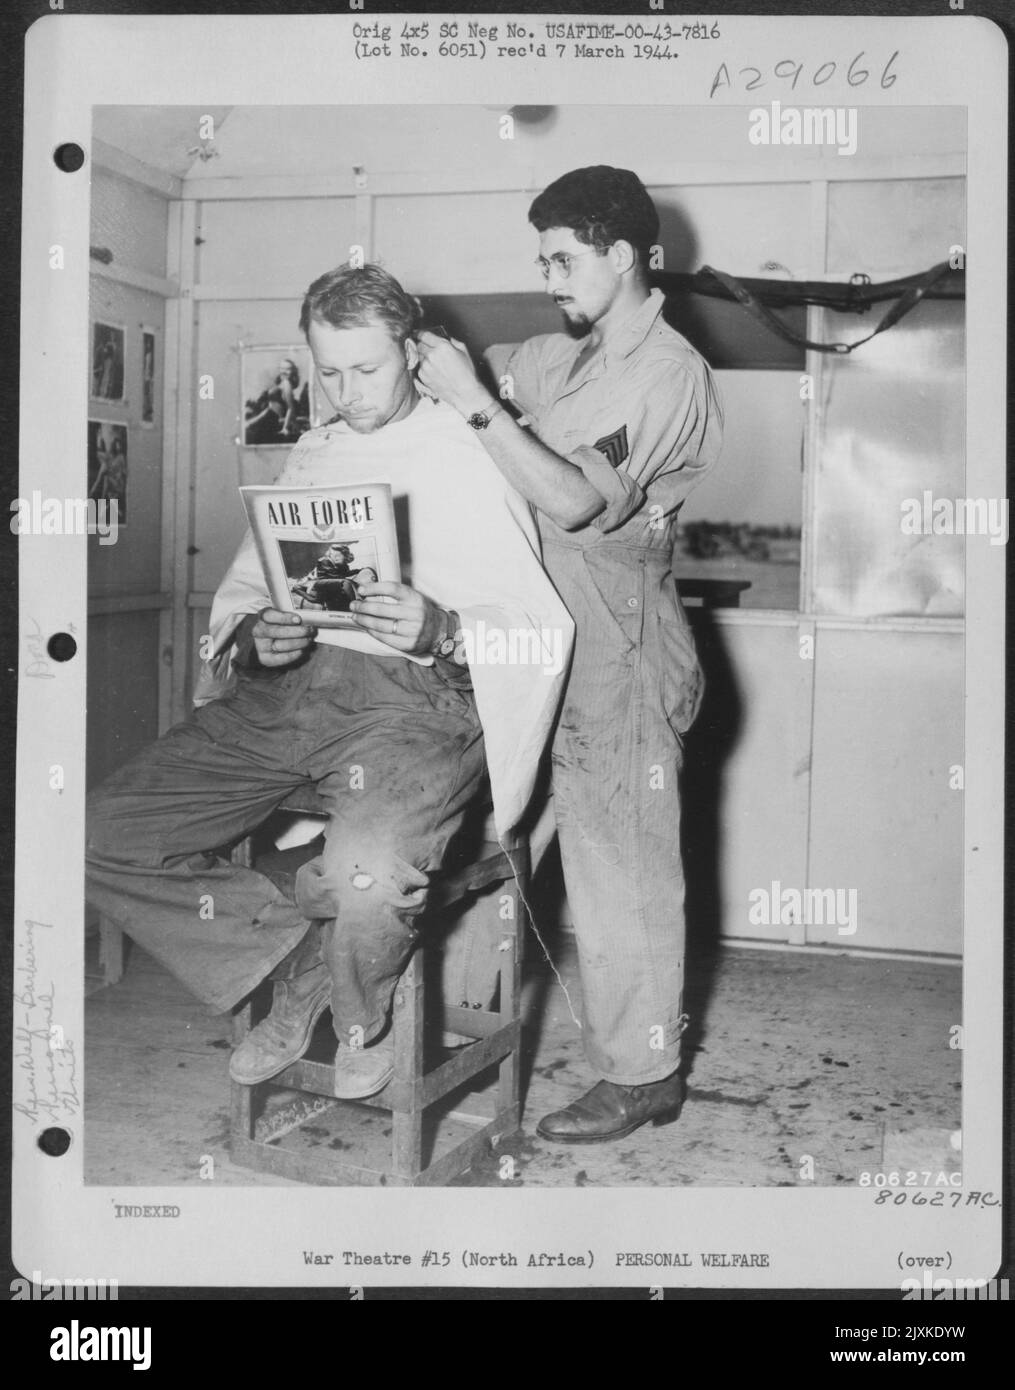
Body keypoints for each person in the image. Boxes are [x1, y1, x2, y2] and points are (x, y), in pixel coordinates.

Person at [87, 263, 572, 1101]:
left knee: (369, 873)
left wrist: (446, 630)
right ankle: (297, 957)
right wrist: (256, 641)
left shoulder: (476, 450)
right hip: (293, 696)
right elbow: (246, 595)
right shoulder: (315, 451)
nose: (346, 393)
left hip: (418, 710)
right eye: (329, 371)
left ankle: (354, 1013)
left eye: (368, 369)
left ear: (414, 355)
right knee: (96, 831)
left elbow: (540, 628)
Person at [417, 166, 724, 1143]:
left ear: (624, 254)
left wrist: (472, 402)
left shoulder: (666, 371)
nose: (548, 274)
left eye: (564, 257)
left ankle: (644, 1073)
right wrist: (420, 352)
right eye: (541, 256)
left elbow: (575, 500)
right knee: (492, 833)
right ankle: (457, 1033)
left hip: (619, 647)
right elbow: (489, 368)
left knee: (618, 865)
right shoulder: (563, 360)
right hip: (536, 639)